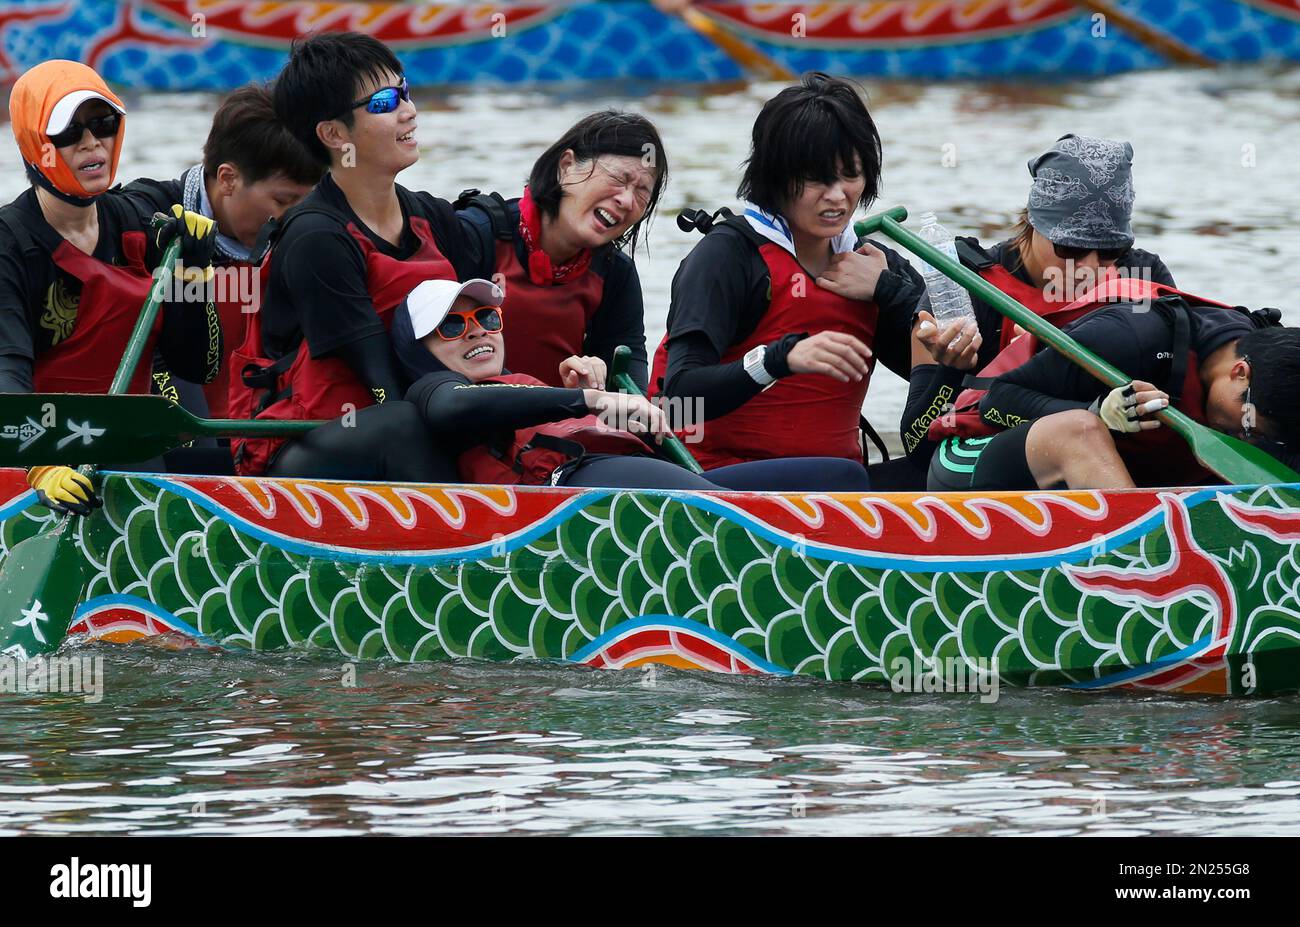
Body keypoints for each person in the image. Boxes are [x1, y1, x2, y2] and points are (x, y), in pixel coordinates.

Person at [228, 32, 477, 482]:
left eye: (405, 91)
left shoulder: (433, 216)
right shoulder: (316, 238)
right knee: (407, 423)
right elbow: (382, 386)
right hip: (304, 449)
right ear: (334, 134)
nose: (410, 111)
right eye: (385, 103)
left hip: (413, 416)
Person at [651, 72, 923, 479]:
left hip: (836, 483)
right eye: (816, 178)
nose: (837, 195)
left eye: (850, 175)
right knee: (842, 476)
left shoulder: (875, 264)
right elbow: (681, 397)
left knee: (956, 462)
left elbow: (942, 393)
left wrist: (893, 295)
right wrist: (778, 361)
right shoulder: (727, 256)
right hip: (712, 481)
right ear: (775, 177)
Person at [397, 278, 873, 491]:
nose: (477, 330)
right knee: (722, 510)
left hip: (646, 481)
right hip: (573, 485)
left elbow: (647, 428)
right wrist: (591, 399)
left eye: (484, 316)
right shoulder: (432, 389)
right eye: (452, 326)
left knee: (843, 476)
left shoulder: (526, 382)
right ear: (419, 349)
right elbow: (453, 412)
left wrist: (610, 411)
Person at [0, 59, 220, 512]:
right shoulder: (10, 246)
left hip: (129, 444)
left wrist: (193, 274)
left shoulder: (137, 222)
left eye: (101, 124)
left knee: (213, 458)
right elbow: (7, 370)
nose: (91, 141)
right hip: (39, 458)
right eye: (69, 133)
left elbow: (196, 364)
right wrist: (39, 466)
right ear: (35, 145)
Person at [903, 134, 1175, 467]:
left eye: (1109, 251)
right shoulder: (965, 282)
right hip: (996, 467)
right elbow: (915, 444)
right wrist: (949, 371)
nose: (1088, 268)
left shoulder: (1142, 276)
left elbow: (1177, 396)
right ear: (1033, 222)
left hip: (1115, 455)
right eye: (1071, 249)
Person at [926, 283, 1299, 491]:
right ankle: (1145, 585)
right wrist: (1098, 413)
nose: (1243, 440)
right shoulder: (1133, 338)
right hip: (972, 454)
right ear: (1239, 372)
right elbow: (998, 399)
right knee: (1080, 430)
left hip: (1101, 480)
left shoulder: (1274, 377)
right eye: (1247, 427)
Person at [125, 83, 322, 420]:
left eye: (308, 201)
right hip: (185, 429)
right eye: (283, 201)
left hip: (269, 427)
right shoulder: (145, 217)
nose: (295, 218)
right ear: (228, 178)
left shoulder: (315, 229)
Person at [456, 111, 664, 391]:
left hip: (559, 426)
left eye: (642, 192)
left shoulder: (616, 273)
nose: (626, 200)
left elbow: (628, 391)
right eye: (618, 178)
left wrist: (597, 388)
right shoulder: (476, 234)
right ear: (566, 166)